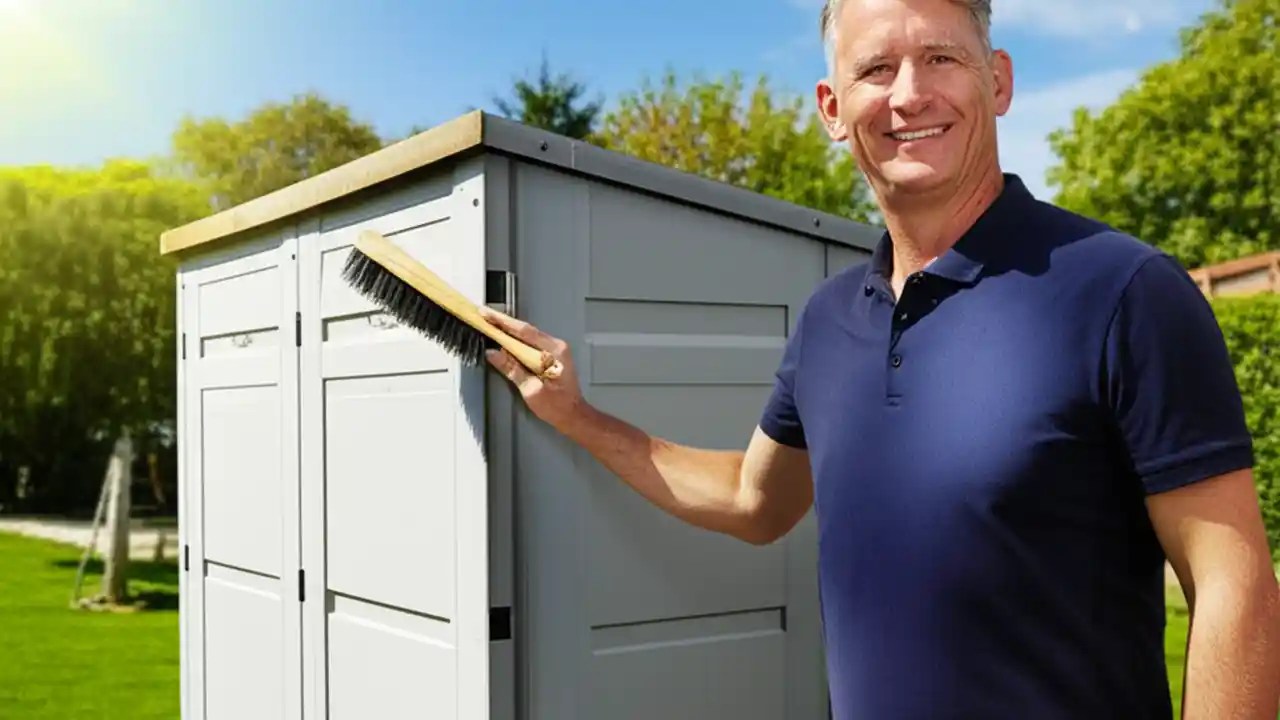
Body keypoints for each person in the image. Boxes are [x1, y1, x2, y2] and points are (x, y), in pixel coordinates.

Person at [479, 0, 1280, 716]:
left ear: (996, 81)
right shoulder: (830, 319)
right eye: (875, 69)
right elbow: (754, 501)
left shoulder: (1124, 289)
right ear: (833, 108)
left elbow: (1232, 584)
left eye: (941, 57)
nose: (908, 95)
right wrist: (578, 417)